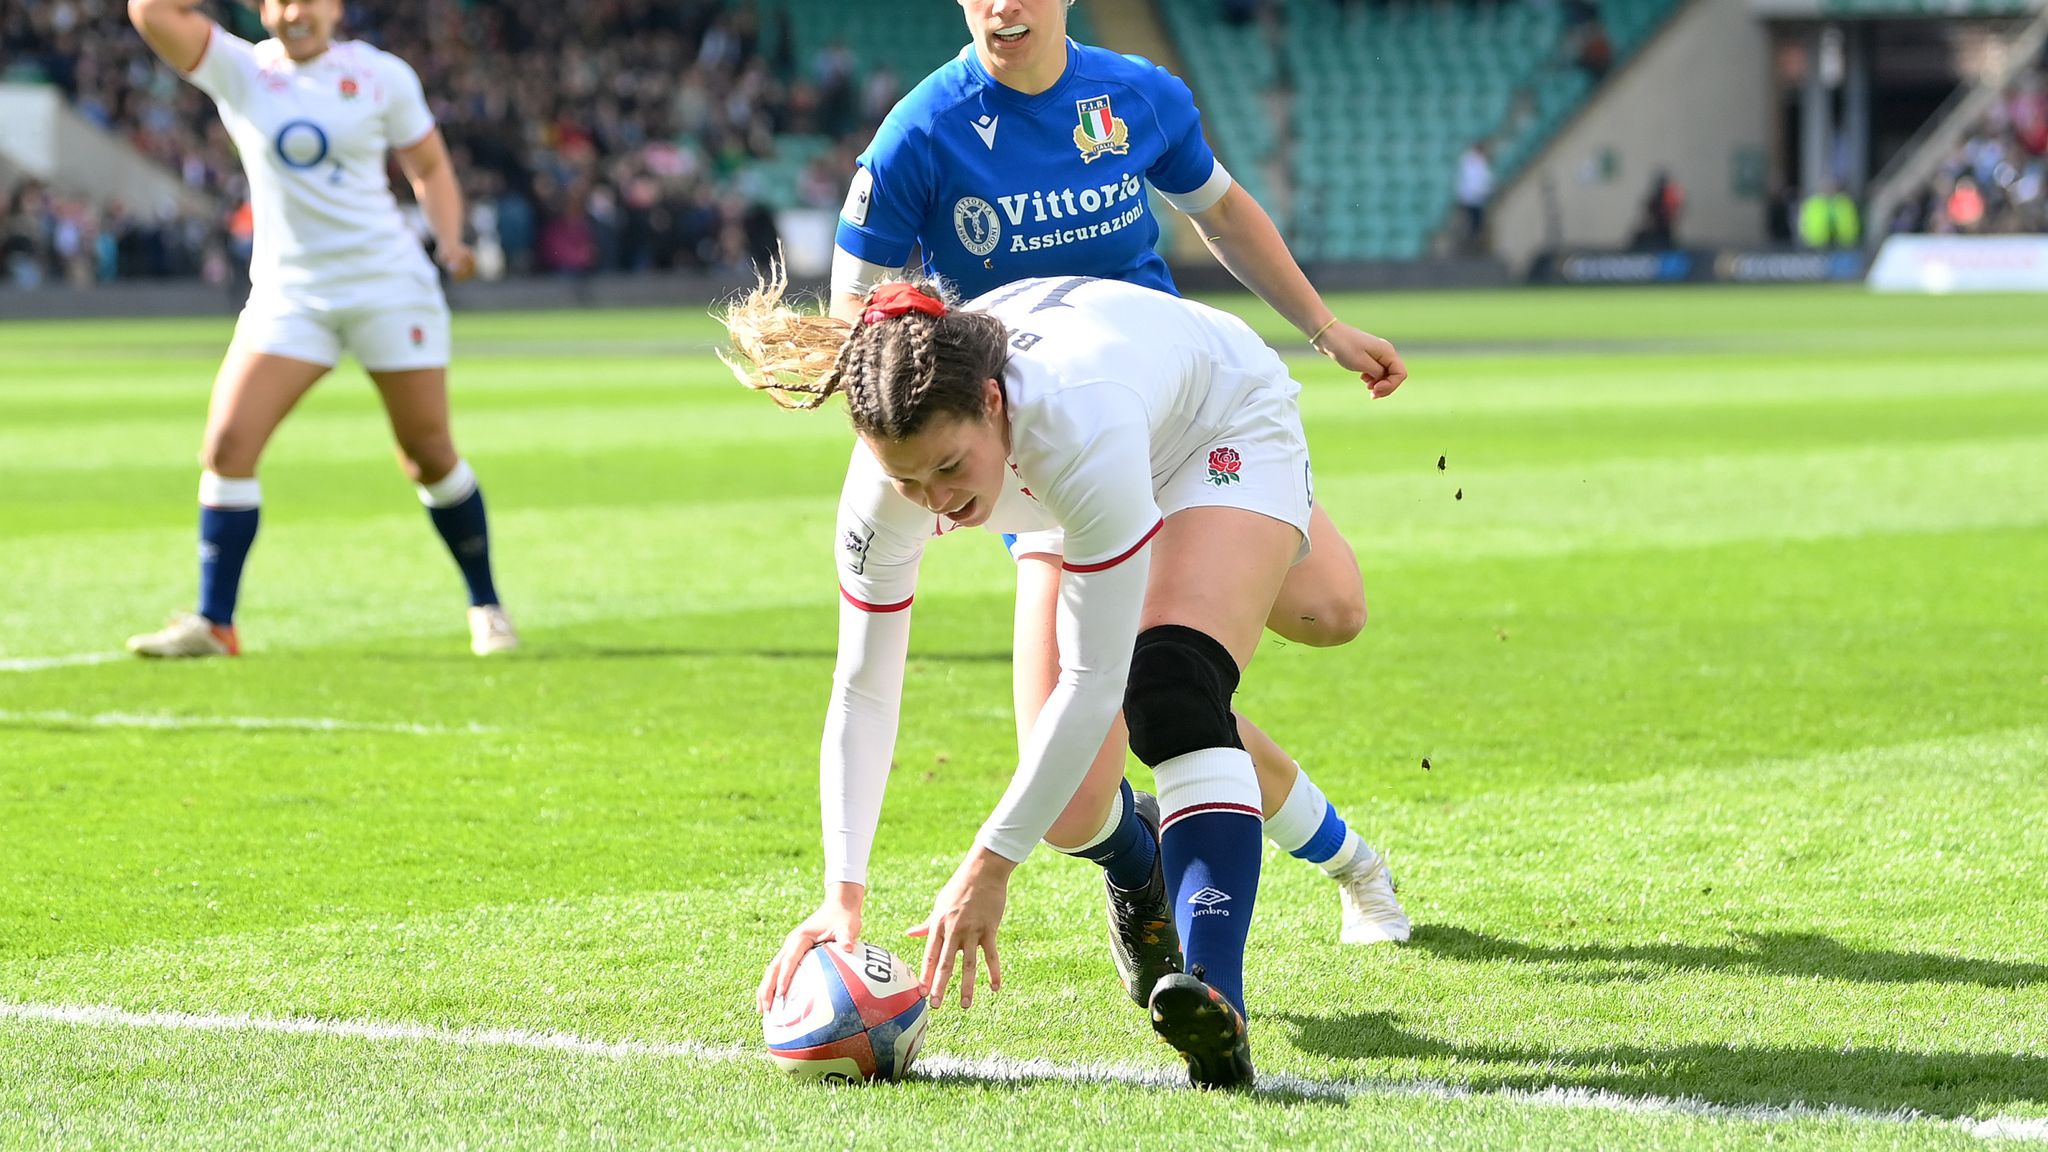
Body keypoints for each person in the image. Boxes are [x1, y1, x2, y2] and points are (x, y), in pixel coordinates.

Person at [824, 0, 1412, 986]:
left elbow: (1218, 208)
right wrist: (907, 440)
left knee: (1327, 611)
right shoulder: (918, 135)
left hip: (1172, 418)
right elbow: (855, 316)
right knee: (1084, 785)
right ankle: (1281, 866)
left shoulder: (1134, 94)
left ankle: (1321, 859)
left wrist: (1322, 329)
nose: (1002, 6)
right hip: (1023, 454)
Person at [739, 271, 1336, 1089]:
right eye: (912, 482)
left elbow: (1096, 680)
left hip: (1209, 423)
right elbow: (863, 686)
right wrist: (841, 894)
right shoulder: (887, 488)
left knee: (1169, 682)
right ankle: (1143, 863)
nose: (938, 503)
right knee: (1067, 810)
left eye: (949, 469)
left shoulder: (1076, 422)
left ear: (990, 402)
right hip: (1056, 482)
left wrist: (989, 868)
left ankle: (1217, 1005)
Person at [123, 0, 515, 658]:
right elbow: (150, 11)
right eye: (275, 0)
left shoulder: (381, 75)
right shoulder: (241, 69)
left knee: (428, 453)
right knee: (227, 446)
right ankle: (216, 623)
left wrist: (450, 240)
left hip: (388, 286)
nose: (292, 12)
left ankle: (487, 604)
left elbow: (429, 165)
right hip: (291, 294)